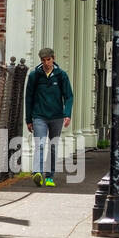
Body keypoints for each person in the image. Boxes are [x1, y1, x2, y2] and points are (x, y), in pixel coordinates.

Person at [25, 47, 72, 187]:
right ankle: (37, 173)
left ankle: (50, 176)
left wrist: (67, 114)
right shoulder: (34, 76)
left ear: (53, 58)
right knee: (40, 144)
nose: (46, 63)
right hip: (39, 116)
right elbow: (29, 98)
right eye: (43, 60)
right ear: (41, 61)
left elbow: (69, 96)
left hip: (57, 116)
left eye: (48, 59)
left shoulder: (61, 75)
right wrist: (28, 119)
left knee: (52, 146)